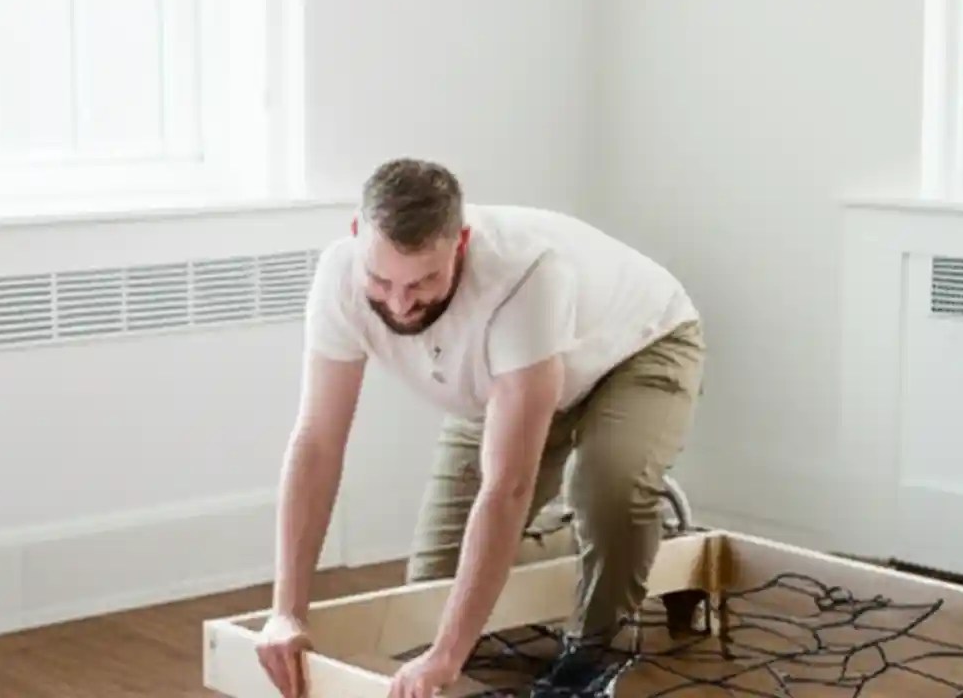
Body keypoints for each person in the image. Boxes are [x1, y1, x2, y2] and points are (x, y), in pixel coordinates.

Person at [254, 157, 706, 698]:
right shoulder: (340, 280)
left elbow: (507, 486)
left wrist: (446, 658)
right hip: (506, 389)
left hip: (638, 347)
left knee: (603, 486)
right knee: (433, 599)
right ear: (357, 237)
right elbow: (318, 443)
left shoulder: (527, 276)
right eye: (382, 279)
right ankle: (641, 545)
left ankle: (596, 641)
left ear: (461, 243)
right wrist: (286, 612)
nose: (399, 304)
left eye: (424, 282)